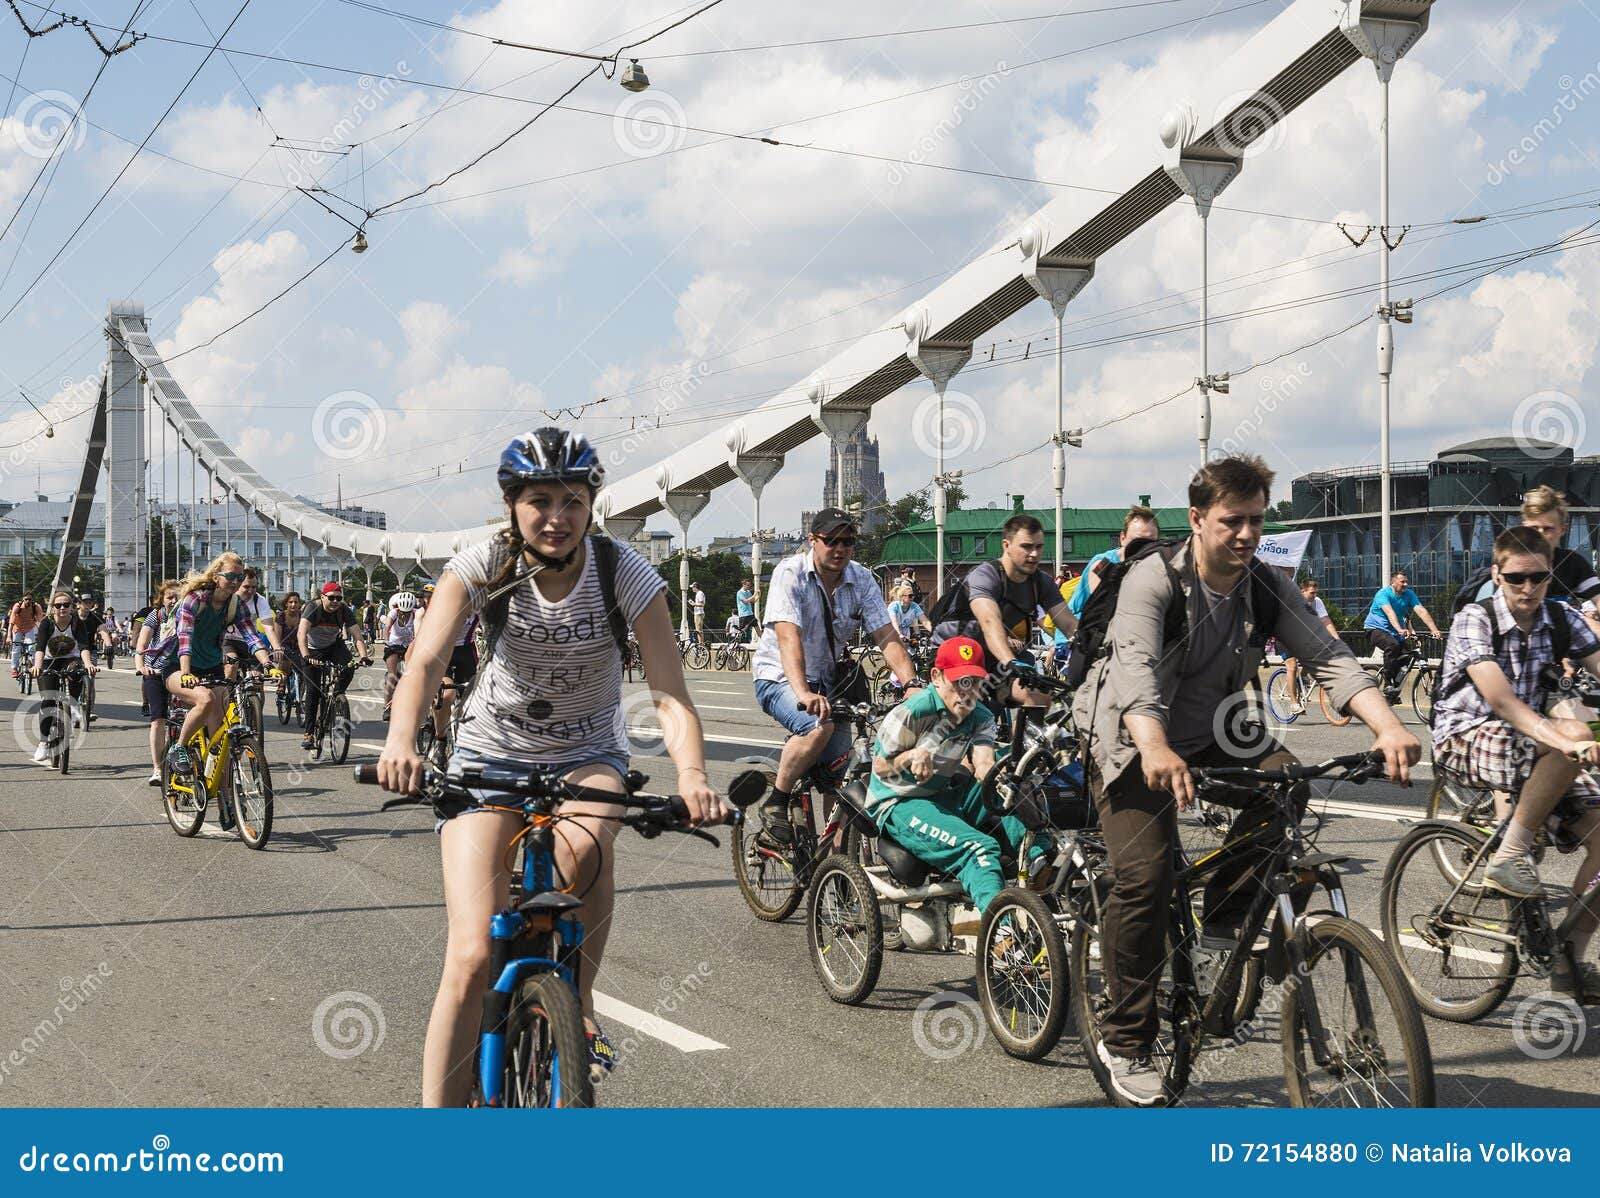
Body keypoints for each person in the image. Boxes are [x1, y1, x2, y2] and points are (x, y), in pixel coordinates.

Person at [375, 427, 727, 1106]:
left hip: (587, 752)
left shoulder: (623, 572)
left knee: (590, 844)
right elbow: (424, 663)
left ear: (593, 505)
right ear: (512, 505)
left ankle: (579, 1002)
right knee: (474, 953)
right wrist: (402, 743)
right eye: (540, 500)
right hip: (488, 755)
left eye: (573, 500)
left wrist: (691, 779)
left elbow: (669, 694)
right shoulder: (482, 564)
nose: (556, 517)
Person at [1071, 455, 1418, 1105]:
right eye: (1233, 521)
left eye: (1257, 520)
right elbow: (1137, 672)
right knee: (1144, 878)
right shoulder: (1155, 581)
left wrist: (1387, 725)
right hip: (1128, 738)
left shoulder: (1262, 584)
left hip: (1211, 733)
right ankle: (1125, 1042)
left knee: (1287, 785)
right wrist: (1153, 744)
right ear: (1198, 520)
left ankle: (1223, 929)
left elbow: (1328, 658)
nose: (1247, 534)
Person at [1430, 526, 1600, 999]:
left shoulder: (1562, 618)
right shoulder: (1474, 619)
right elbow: (1500, 700)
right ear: (1496, 574)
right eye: (1516, 578)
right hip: (1464, 736)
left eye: (1539, 578)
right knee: (1573, 734)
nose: (1528, 589)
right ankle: (1509, 855)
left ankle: (1569, 956)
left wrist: (1565, 738)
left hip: (1531, 744)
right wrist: (1564, 738)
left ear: (1551, 575)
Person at [751, 507, 919, 847]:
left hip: (829, 683)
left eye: (848, 542)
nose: (840, 549)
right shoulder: (790, 573)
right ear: (813, 540)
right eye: (831, 541)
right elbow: (788, 637)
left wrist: (911, 685)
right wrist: (802, 692)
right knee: (817, 727)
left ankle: (834, 866)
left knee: (844, 776)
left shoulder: (861, 578)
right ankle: (777, 801)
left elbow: (886, 636)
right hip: (780, 678)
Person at [867, 636, 1048, 913]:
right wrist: (911, 755)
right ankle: (1001, 933)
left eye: (975, 683)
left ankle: (1040, 862)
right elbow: (880, 767)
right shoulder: (912, 712)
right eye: (960, 683)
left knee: (1011, 783)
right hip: (901, 800)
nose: (968, 693)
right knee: (980, 848)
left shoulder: (982, 716)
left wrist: (1011, 778)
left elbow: (984, 764)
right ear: (936, 677)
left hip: (945, 794)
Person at [145, 554, 280, 785]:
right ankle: (179, 748)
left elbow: (252, 637)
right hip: (178, 666)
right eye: (230, 576)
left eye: (239, 576)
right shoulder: (194, 600)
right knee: (205, 699)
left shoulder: (235, 605)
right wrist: (187, 673)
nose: (236, 581)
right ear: (216, 576)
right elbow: (185, 637)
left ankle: (228, 800)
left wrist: (268, 664)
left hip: (211, 668)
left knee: (220, 738)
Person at [932, 513, 1077, 708]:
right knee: (964, 712)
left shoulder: (1041, 583)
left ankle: (1024, 739)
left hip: (993, 659)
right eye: (1026, 546)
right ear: (1006, 545)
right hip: (955, 656)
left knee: (1038, 697)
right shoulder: (985, 576)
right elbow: (989, 623)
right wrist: (1011, 662)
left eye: (1039, 547)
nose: (1034, 554)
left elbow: (1068, 624)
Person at [28, 589, 98, 763]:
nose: (62, 608)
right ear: (52, 608)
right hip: (48, 661)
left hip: (69, 659)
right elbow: (40, 648)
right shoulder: (46, 623)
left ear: (72, 607)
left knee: (77, 670)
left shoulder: (77, 623)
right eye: (58, 605)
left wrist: (89, 664)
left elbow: (83, 646)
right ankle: (44, 743)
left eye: (66, 605)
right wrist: (37, 666)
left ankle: (73, 705)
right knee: (48, 701)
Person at [299, 581, 370, 751]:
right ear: (323, 597)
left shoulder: (343, 610)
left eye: (339, 598)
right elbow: (301, 634)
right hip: (311, 649)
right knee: (314, 691)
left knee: (349, 666)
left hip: (333, 646)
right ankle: (309, 733)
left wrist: (364, 656)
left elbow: (357, 636)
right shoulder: (313, 608)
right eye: (331, 598)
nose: (335, 602)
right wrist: (306, 656)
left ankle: (337, 696)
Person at [1069, 505, 1162, 619]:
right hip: (1078, 627)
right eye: (1136, 541)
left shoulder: (1155, 565)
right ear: (1122, 538)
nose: (1143, 547)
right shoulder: (1101, 564)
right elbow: (1108, 610)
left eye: (1150, 542)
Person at [1363, 570, 1442, 702]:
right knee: (1392, 645)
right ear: (1393, 583)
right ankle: (1388, 684)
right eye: (1402, 582)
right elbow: (1390, 613)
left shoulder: (1409, 594)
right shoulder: (1383, 594)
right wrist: (1400, 629)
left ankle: (1392, 694)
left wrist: (1434, 629)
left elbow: (1421, 611)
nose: (1405, 584)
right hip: (1375, 629)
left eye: (1406, 582)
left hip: (1395, 631)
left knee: (1407, 658)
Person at [135, 581, 182, 785]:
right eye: (169, 597)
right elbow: (142, 645)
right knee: (158, 720)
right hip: (155, 669)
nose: (173, 600)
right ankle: (157, 769)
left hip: (181, 670)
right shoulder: (157, 615)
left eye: (177, 597)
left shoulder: (188, 615)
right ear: (162, 599)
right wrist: (141, 666)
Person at [1283, 575, 1338, 713]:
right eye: (1311, 593)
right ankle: (1294, 703)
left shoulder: (1317, 601)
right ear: (1302, 591)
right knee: (1292, 666)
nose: (1315, 595)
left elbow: (1325, 620)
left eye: (1316, 592)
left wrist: (1336, 638)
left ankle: (1302, 677)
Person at [224, 567, 281, 680]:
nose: (250, 591)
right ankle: (230, 696)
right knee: (231, 667)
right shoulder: (228, 598)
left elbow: (268, 628)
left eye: (254, 587)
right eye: (246, 587)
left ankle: (256, 696)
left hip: (250, 641)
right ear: (238, 584)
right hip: (228, 640)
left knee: (258, 679)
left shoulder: (259, 600)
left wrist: (277, 648)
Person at [380, 590, 419, 721]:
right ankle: (386, 707)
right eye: (402, 611)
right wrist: (386, 640)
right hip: (393, 645)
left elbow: (420, 629)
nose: (404, 614)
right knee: (392, 677)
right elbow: (387, 628)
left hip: (409, 646)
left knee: (413, 675)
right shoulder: (394, 613)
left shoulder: (416, 614)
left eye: (407, 612)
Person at [9, 591, 43, 681]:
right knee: (16, 649)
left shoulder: (36, 607)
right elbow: (11, 623)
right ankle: (14, 669)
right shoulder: (17, 606)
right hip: (17, 628)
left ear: (32, 600)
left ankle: (34, 668)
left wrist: (43, 635)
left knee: (31, 647)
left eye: (30, 599)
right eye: (26, 599)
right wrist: (9, 636)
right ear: (23, 599)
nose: (28, 601)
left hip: (29, 628)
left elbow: (41, 622)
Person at [735, 578, 757, 645]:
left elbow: (753, 601)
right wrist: (755, 594)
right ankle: (736, 643)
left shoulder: (748, 592)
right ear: (743, 585)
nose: (749, 586)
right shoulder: (739, 592)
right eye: (748, 585)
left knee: (757, 627)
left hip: (750, 613)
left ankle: (764, 643)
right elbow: (745, 601)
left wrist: (758, 595)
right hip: (743, 614)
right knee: (741, 630)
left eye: (749, 585)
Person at [690, 582, 707, 648]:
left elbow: (702, 604)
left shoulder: (700, 594)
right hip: (698, 613)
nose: (692, 589)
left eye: (693, 587)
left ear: (695, 587)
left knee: (699, 630)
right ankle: (701, 644)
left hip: (699, 613)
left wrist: (694, 604)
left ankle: (701, 644)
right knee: (699, 630)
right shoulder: (698, 594)